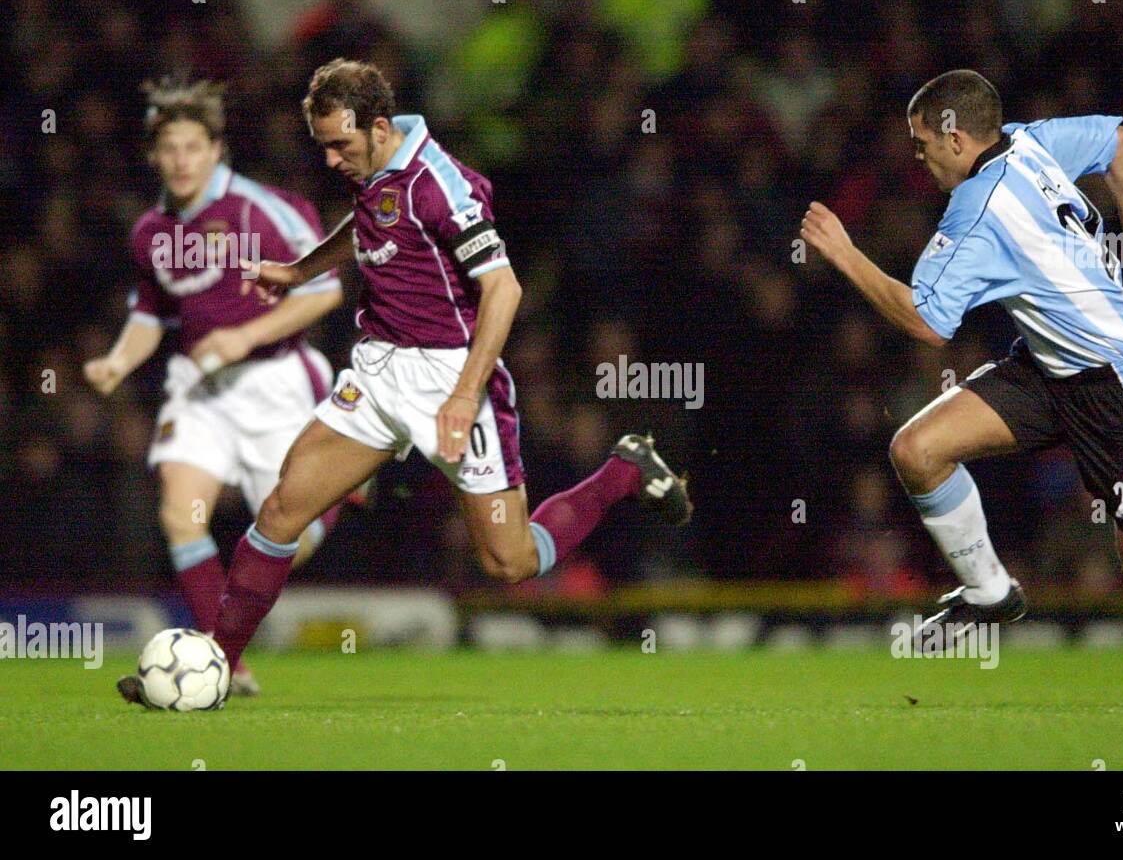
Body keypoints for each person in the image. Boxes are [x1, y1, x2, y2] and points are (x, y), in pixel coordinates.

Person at [117, 59, 691, 705]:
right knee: (280, 511)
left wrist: (465, 394)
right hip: (381, 370)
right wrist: (298, 271)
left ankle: (622, 471)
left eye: (340, 144)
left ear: (380, 126)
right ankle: (218, 667)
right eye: (323, 145)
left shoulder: (439, 185)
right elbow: (369, 226)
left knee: (509, 562)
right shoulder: (378, 170)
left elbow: (503, 289)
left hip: (453, 375)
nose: (332, 159)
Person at [800, 69, 1123, 708]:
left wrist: (846, 255)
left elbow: (928, 323)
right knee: (918, 450)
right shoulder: (1028, 141)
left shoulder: (977, 211)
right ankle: (990, 591)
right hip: (1048, 370)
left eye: (923, 142)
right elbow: (1118, 142)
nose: (919, 155)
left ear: (956, 137)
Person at [84, 76, 348, 697]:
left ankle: (338, 493)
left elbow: (326, 289)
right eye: (169, 148)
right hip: (198, 388)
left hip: (277, 383)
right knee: (180, 513)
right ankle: (221, 665)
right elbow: (152, 316)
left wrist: (244, 336)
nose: (180, 160)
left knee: (285, 533)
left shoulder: (262, 209)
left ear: (215, 149)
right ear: (155, 154)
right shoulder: (150, 231)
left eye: (192, 147)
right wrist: (118, 362)